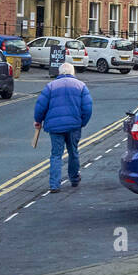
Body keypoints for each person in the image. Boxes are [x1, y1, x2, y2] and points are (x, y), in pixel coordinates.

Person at [34, 61, 93, 193]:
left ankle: (54, 185)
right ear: (73, 72)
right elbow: (87, 108)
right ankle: (74, 179)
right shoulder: (81, 86)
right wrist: (82, 123)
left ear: (60, 72)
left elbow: (40, 106)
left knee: (56, 155)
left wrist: (38, 120)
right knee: (73, 152)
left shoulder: (50, 86)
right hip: (74, 126)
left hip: (55, 127)